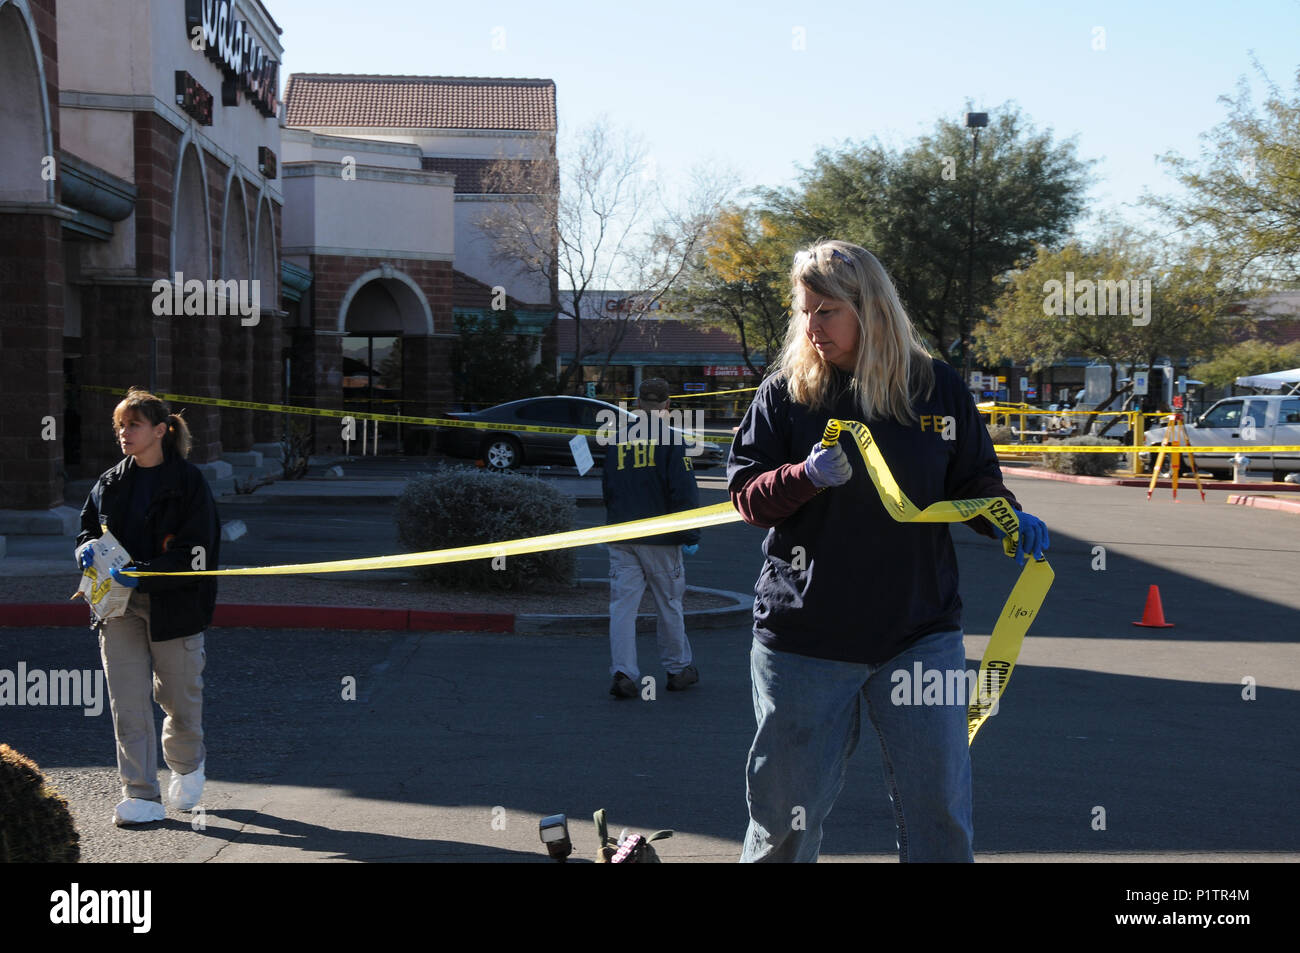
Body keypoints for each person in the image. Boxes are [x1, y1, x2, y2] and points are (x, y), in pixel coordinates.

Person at [727, 240, 1049, 862]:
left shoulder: (936, 389)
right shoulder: (787, 395)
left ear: (869, 308)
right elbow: (747, 496)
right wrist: (805, 478)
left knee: (941, 819)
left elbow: (974, 482)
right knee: (784, 826)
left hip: (919, 636)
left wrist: (1007, 520)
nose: (811, 326)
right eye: (804, 312)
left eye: (826, 310)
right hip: (804, 642)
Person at [75, 388, 220, 826]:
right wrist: (85, 550)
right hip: (116, 605)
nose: (123, 433)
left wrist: (147, 572)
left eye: (132, 425)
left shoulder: (189, 483)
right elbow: (87, 528)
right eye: (120, 425)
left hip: (175, 605)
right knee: (128, 702)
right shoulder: (110, 482)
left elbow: (199, 553)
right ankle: (140, 795)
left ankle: (187, 766)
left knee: (178, 698)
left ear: (160, 431)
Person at [602, 378, 701, 698]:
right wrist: (690, 533)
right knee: (669, 604)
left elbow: (609, 488)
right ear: (667, 406)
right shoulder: (673, 440)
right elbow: (683, 491)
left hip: (621, 534)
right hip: (661, 538)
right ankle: (677, 668)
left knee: (622, 608)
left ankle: (624, 672)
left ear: (639, 404)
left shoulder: (617, 439)